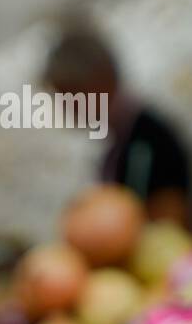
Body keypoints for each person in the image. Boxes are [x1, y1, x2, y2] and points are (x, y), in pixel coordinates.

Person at [44, 28, 190, 224]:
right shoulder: (118, 142)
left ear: (100, 82)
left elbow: (169, 224)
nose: (66, 107)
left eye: (70, 95)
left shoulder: (149, 142)